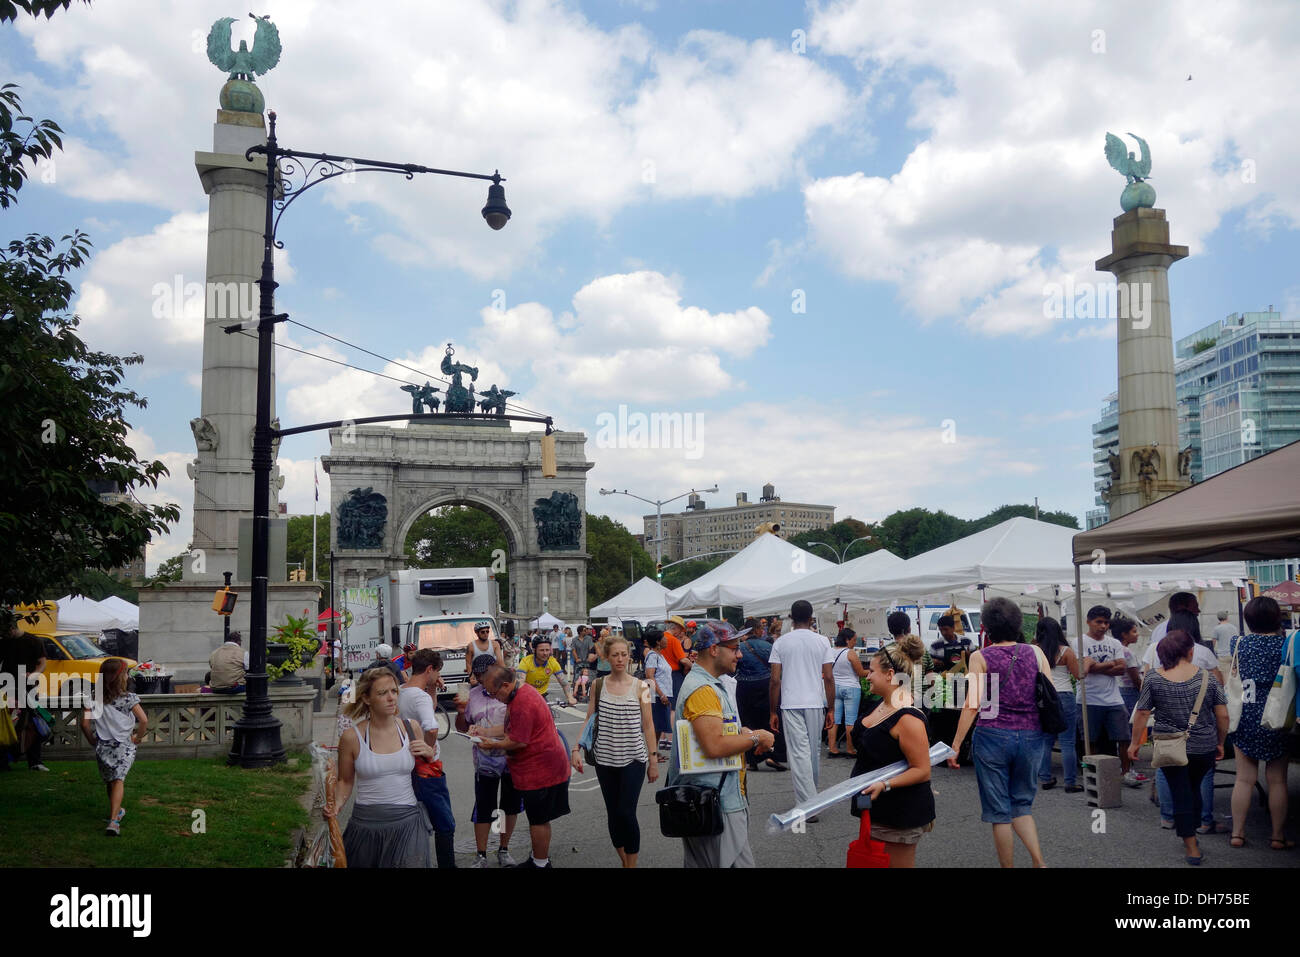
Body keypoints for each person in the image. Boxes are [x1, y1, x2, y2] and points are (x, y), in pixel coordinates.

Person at [949, 597, 1051, 868]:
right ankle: (1039, 862)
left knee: (999, 811)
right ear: (1018, 622)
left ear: (986, 627)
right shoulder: (1036, 653)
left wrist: (957, 743)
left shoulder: (980, 657)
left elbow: (973, 703)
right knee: (1022, 805)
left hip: (992, 734)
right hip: (1031, 735)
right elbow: (1049, 695)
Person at [665, 624, 775, 867]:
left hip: (711, 799)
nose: (740, 654)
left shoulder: (706, 683)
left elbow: (713, 732)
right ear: (714, 649)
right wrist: (757, 737)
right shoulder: (703, 689)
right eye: (734, 648)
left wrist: (741, 733)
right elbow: (714, 746)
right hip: (716, 801)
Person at [1128, 629, 1228, 864]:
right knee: (1193, 788)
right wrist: (1221, 742)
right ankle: (1192, 829)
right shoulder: (1207, 677)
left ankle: (1191, 845)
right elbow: (1222, 715)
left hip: (1170, 746)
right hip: (1204, 746)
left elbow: (1142, 712)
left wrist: (1135, 743)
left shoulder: (1153, 677)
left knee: (1181, 791)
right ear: (1191, 652)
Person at [326, 667, 435, 868]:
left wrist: (429, 753)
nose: (391, 698)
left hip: (408, 822)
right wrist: (337, 805)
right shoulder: (352, 737)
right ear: (367, 699)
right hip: (367, 824)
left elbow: (430, 766)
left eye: (394, 691)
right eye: (382, 693)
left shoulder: (411, 728)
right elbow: (345, 781)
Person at [570, 634, 658, 867]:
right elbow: (589, 719)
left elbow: (648, 725)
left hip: (633, 759)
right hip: (605, 760)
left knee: (626, 813)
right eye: (615, 655)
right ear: (607, 658)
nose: (620, 659)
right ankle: (624, 860)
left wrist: (654, 759)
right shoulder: (597, 685)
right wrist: (576, 748)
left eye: (624, 654)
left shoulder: (642, 687)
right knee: (613, 814)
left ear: (630, 657)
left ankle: (632, 864)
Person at [851, 636, 935, 867]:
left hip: (899, 813)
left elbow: (922, 770)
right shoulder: (881, 704)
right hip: (878, 809)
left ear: (890, 675)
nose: (867, 676)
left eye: (871, 671)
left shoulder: (908, 718)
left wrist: (885, 784)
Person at [478, 664, 572, 868]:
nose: (493, 698)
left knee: (538, 820)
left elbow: (518, 741)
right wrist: (484, 732)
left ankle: (540, 863)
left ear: (505, 685)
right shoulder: (520, 692)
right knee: (537, 818)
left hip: (542, 770)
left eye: (493, 693)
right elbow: (510, 729)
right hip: (540, 768)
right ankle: (539, 859)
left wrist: (491, 745)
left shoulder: (522, 701)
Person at [1227, 596, 1295, 850]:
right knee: (1277, 780)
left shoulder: (1238, 643)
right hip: (1276, 716)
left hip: (1245, 715)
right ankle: (1277, 836)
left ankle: (1237, 833)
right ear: (1277, 618)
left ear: (1248, 618)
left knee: (1243, 779)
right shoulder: (1286, 644)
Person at [457, 654, 521, 868]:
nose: (481, 679)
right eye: (477, 676)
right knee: (485, 807)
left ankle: (502, 849)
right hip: (484, 762)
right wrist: (461, 713)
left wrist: (487, 731)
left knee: (507, 807)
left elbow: (516, 727)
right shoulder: (473, 694)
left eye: (484, 675)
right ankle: (482, 854)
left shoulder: (510, 693)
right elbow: (462, 726)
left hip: (511, 759)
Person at [769, 600, 832, 812]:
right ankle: (811, 796)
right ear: (811, 617)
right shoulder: (822, 641)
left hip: (790, 702)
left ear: (791, 618)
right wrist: (831, 707)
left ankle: (808, 802)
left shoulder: (781, 642)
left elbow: (775, 680)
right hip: (815, 701)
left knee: (799, 753)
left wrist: (772, 710)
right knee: (813, 751)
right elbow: (829, 677)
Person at [398, 649, 456, 868]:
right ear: (430, 669)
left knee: (415, 817)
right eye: (437, 672)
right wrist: (429, 750)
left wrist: (431, 687)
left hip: (407, 763)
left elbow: (427, 709)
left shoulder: (403, 690)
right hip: (426, 768)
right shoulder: (419, 696)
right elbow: (431, 726)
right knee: (444, 822)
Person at [78, 658, 145, 835]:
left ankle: (115, 815)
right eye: (126, 673)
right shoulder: (129, 698)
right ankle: (115, 819)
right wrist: (138, 737)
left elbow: (84, 724)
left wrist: (92, 741)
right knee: (117, 780)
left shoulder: (93, 698)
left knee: (112, 780)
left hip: (103, 746)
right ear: (120, 677)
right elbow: (144, 720)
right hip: (124, 745)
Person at [1079, 605, 1143, 786]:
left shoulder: (1114, 643)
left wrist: (1095, 665)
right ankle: (1090, 773)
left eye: (1106, 622)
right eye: (1098, 622)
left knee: (1123, 737)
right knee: (1089, 740)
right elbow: (1083, 670)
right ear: (1088, 622)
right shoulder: (1079, 642)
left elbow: (1121, 667)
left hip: (1113, 698)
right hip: (1088, 698)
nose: (1103, 626)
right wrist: (1110, 663)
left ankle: (1125, 772)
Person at [734, 616, 787, 771]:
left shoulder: (740, 647)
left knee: (748, 722)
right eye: (761, 628)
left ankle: (752, 760)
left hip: (744, 686)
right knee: (772, 719)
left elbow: (734, 669)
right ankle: (773, 755)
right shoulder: (768, 646)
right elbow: (777, 669)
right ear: (757, 630)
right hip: (766, 684)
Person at [1034, 616, 1081, 792]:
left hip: (1044, 697)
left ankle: (1045, 778)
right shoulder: (1066, 651)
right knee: (1067, 741)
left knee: (1045, 740)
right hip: (1064, 695)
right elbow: (1078, 675)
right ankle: (1070, 782)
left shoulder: (1035, 651)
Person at [1, 627, 48, 771]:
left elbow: (42, 662)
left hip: (28, 688)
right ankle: (4, 761)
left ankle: (35, 761)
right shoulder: (3, 641)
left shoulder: (33, 641)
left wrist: (33, 674)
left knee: (32, 723)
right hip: (5, 688)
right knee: (6, 724)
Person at [826, 627, 868, 759]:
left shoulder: (830, 652)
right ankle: (850, 749)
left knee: (834, 719)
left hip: (834, 688)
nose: (855, 642)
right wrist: (872, 671)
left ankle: (832, 748)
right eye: (854, 640)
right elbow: (860, 673)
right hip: (851, 688)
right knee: (850, 721)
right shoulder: (850, 653)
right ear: (847, 639)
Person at [516, 637, 577, 707]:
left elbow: (564, 683)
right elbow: (519, 683)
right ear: (534, 650)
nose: (545, 653)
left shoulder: (553, 662)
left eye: (547, 650)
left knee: (548, 716)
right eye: (541, 650)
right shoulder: (525, 662)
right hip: (526, 696)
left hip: (542, 696)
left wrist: (570, 697)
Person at [642, 628, 674, 756]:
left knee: (660, 726)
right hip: (656, 696)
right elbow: (650, 676)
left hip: (662, 695)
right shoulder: (652, 656)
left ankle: (653, 752)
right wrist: (661, 694)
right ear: (658, 641)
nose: (666, 640)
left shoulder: (660, 655)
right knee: (655, 726)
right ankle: (652, 753)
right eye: (664, 638)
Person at [662, 616, 693, 700]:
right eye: (681, 630)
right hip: (673, 675)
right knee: (675, 704)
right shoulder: (674, 640)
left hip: (660, 675)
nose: (680, 633)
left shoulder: (660, 637)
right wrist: (695, 668)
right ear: (676, 628)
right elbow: (683, 660)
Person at [208, 629, 246, 694]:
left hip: (215, 688)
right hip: (234, 688)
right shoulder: (243, 652)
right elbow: (249, 669)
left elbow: (212, 667)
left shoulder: (214, 652)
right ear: (238, 641)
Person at [571, 626, 597, 702]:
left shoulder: (588, 639)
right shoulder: (575, 639)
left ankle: (585, 694)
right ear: (580, 631)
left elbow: (591, 648)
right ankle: (575, 693)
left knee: (586, 679)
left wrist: (590, 657)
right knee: (577, 678)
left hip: (586, 661)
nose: (586, 631)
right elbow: (573, 650)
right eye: (584, 630)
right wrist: (576, 658)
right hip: (578, 662)